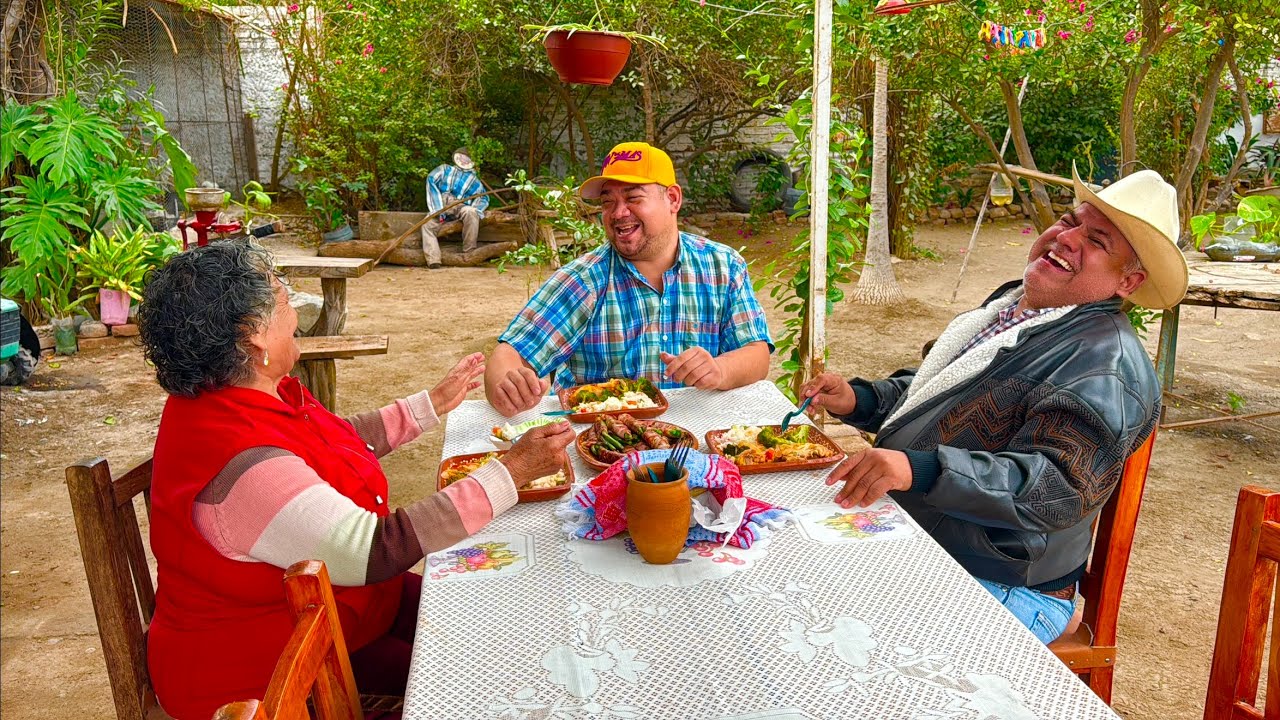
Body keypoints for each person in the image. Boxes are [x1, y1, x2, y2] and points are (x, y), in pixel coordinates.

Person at [137, 242, 574, 719]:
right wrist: (509, 473)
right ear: (253, 336)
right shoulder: (245, 466)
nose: (295, 309)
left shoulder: (236, 393)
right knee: (476, 677)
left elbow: (332, 444)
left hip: (333, 611)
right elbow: (374, 549)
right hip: (265, 674)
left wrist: (429, 404)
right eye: (283, 298)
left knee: (487, 618)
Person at [800, 167, 1187, 643]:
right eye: (1070, 221)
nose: (1067, 239)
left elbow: (1057, 487)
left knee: (837, 639)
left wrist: (919, 470)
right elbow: (936, 394)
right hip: (930, 539)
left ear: (1128, 282)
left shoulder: (1106, 365)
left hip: (1004, 580)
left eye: (1097, 241)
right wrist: (859, 398)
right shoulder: (1013, 306)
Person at [485, 141, 774, 417]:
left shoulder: (722, 266)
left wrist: (720, 369)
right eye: (608, 202)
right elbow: (509, 354)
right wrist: (509, 385)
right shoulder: (583, 280)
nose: (618, 213)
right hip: (602, 443)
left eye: (633, 198)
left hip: (697, 438)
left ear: (672, 199)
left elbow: (756, 353)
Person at [421, 147, 489, 269]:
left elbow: (484, 197)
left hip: (461, 206)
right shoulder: (445, 169)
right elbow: (431, 179)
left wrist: (476, 208)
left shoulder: (475, 180)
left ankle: (469, 252)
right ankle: (433, 259)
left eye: (467, 159)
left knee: (471, 213)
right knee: (426, 225)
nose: (463, 161)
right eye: (462, 158)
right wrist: (437, 207)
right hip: (442, 203)